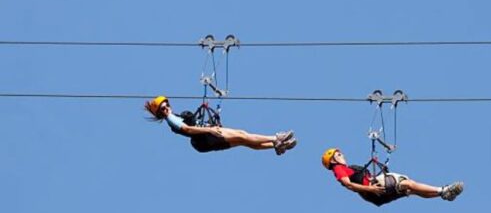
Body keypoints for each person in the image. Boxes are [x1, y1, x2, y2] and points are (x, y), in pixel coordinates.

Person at [145, 96, 297, 155]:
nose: (167, 109)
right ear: (160, 113)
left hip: (205, 142)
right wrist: (210, 128)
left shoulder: (173, 116)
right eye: (163, 109)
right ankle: (276, 137)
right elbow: (187, 129)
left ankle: (276, 145)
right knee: (243, 135)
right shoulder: (171, 119)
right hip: (207, 137)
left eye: (166, 105)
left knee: (244, 141)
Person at [321, 148, 463, 206]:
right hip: (374, 192)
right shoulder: (338, 169)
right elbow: (349, 185)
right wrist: (370, 189)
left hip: (375, 196)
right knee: (408, 184)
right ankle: (443, 190)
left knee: (411, 189)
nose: (342, 155)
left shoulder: (347, 168)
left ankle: (444, 194)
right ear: (333, 160)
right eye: (338, 155)